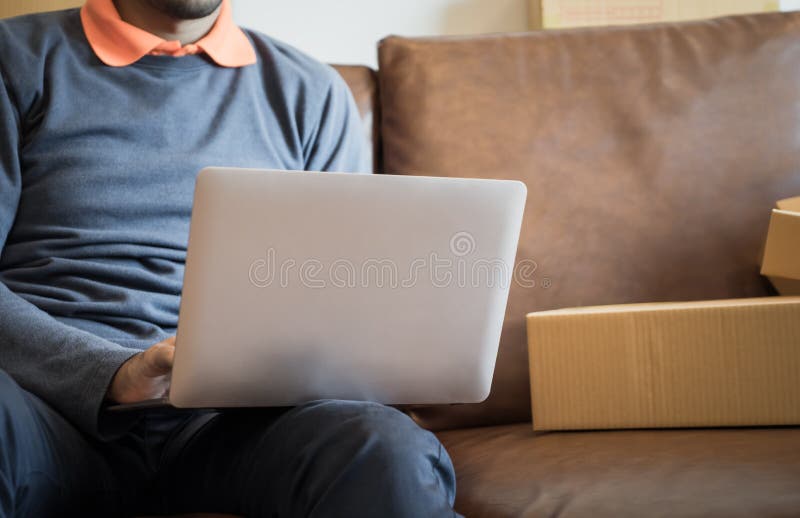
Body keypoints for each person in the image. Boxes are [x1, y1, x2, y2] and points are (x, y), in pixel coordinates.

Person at [0, 0, 459, 516]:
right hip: (48, 411)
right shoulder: (14, 60)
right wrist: (114, 375)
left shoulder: (309, 92)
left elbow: (341, 304)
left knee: (381, 446)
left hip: (231, 427)